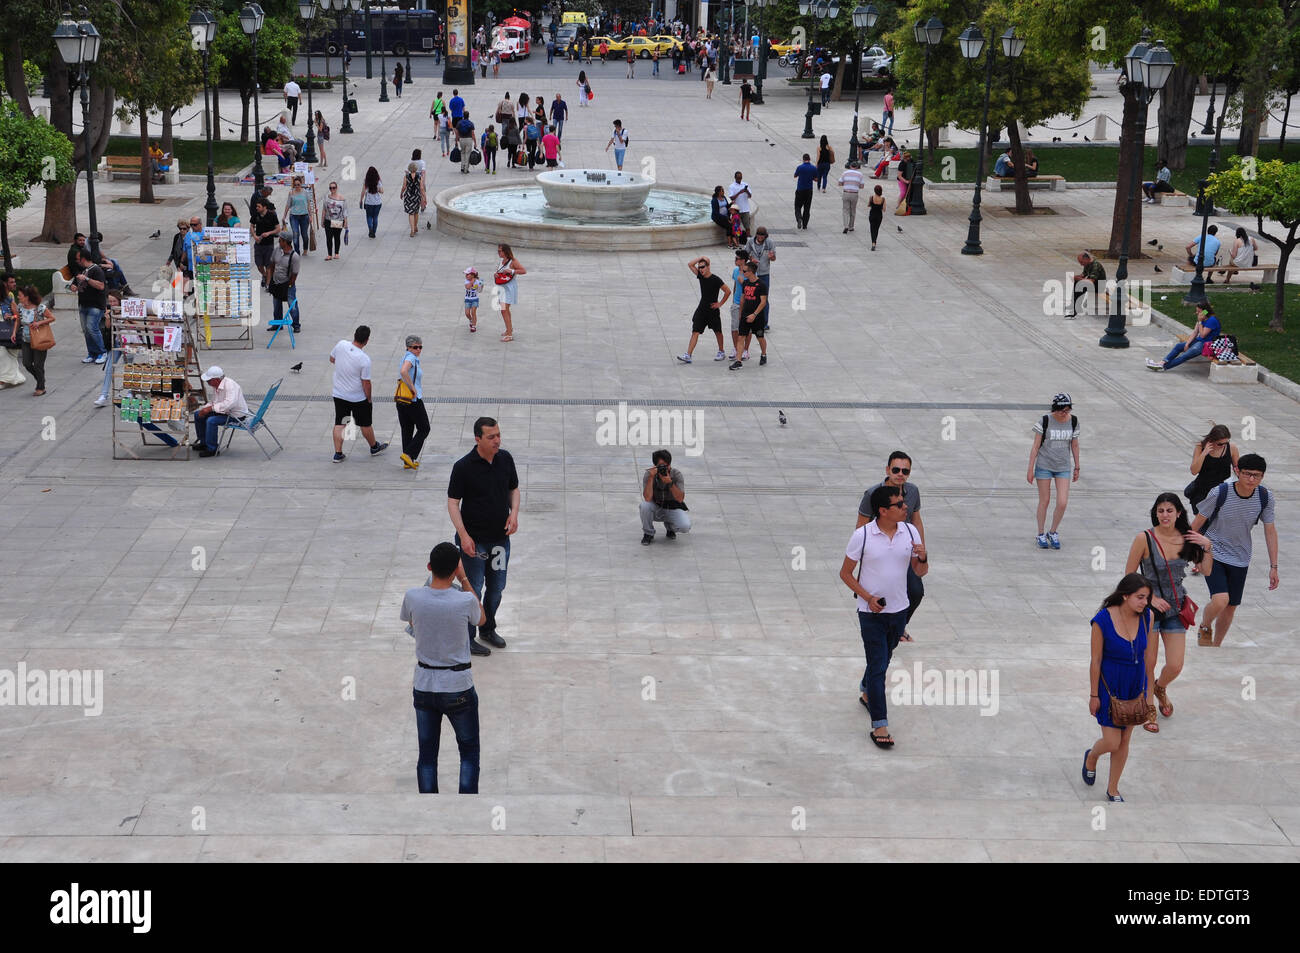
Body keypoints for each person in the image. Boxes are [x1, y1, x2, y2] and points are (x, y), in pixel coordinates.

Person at [839, 483, 928, 749]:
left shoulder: (910, 531)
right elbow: (845, 573)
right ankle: (880, 724)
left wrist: (922, 558)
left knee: (884, 658)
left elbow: (920, 572)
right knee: (879, 667)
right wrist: (868, 598)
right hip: (871, 613)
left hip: (899, 611)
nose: (905, 508)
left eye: (904, 503)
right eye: (899, 505)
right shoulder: (862, 536)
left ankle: (867, 690)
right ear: (882, 510)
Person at [1124, 493, 1213, 732]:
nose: (1165, 515)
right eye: (1161, 511)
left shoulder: (1186, 539)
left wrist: (1207, 546)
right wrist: (1151, 597)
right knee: (1148, 662)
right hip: (1148, 610)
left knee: (1175, 665)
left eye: (1169, 511)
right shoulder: (1144, 538)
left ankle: (1160, 687)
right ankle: (1149, 709)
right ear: (1156, 513)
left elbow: (1205, 570)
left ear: (1179, 514)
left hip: (1175, 608)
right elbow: (1130, 575)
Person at [403, 542, 485, 794]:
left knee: (427, 754)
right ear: (455, 571)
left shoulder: (413, 596)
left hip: (424, 684)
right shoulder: (463, 601)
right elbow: (481, 618)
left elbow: (412, 622)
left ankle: (429, 808)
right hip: (458, 685)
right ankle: (466, 807)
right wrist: (464, 579)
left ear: (429, 567)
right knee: (469, 751)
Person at [447, 417, 520, 656]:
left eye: (498, 435)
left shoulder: (505, 459)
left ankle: (488, 628)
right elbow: (453, 503)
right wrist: (463, 536)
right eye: (491, 437)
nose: (497, 440)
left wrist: (514, 514)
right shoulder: (463, 467)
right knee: (473, 588)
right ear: (478, 438)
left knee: (497, 586)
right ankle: (467, 638)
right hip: (474, 543)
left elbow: (513, 488)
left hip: (500, 540)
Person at [1189, 453, 1278, 646]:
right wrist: (1180, 551)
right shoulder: (1220, 492)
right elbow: (1197, 523)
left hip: (1241, 556)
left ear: (1262, 476)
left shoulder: (1265, 497)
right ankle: (1205, 625)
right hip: (1213, 551)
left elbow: (1270, 531)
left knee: (1230, 607)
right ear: (1237, 472)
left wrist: (1274, 566)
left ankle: (1216, 645)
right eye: (1247, 474)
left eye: (1257, 475)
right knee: (1221, 599)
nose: (1251, 479)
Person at [1083, 574, 1158, 802]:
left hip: (1134, 685)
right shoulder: (1102, 620)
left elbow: (1147, 658)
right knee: (1112, 741)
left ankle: (1113, 788)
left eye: (1147, 597)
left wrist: (1148, 695)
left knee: (1125, 740)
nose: (1145, 602)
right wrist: (1093, 694)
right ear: (1125, 596)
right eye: (1140, 597)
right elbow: (1095, 660)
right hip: (1109, 685)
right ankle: (1092, 757)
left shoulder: (1148, 617)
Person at [857, 451, 927, 642]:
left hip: (904, 552)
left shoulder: (912, 492)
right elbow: (861, 526)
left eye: (905, 471)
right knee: (881, 594)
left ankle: (899, 628)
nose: (900, 474)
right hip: (879, 553)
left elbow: (916, 520)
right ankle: (881, 631)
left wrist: (920, 547)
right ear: (887, 470)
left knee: (915, 591)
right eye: (896, 469)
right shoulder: (872, 494)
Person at [1027, 394, 1080, 549]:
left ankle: (1053, 531)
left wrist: (1077, 466)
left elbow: (1075, 445)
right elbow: (1035, 446)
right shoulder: (1045, 421)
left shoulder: (1073, 421)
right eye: (1061, 410)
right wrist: (1030, 469)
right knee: (1045, 500)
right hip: (1044, 466)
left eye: (1067, 410)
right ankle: (1041, 533)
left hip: (1063, 467)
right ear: (1055, 409)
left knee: (1062, 502)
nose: (1064, 413)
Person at [330, 325, 387, 462]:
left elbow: (332, 359)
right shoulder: (364, 359)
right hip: (357, 397)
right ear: (367, 340)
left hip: (339, 394)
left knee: (340, 423)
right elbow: (366, 383)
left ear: (354, 335)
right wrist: (369, 398)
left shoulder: (341, 344)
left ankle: (338, 453)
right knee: (365, 424)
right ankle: (374, 447)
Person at [677, 256, 730, 364]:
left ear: (708, 267)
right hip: (701, 309)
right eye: (700, 267)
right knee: (695, 331)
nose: (701, 269)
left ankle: (721, 351)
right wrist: (700, 258)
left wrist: (720, 304)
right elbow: (690, 264)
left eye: (703, 267)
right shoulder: (700, 277)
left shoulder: (716, 279)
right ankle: (688, 355)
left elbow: (727, 291)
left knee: (718, 331)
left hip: (712, 310)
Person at [191, 365, 250, 457]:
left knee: (211, 421)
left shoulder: (230, 385)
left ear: (216, 379)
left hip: (235, 415)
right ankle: (204, 442)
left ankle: (212, 448)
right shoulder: (217, 385)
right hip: (224, 411)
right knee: (198, 414)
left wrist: (210, 409)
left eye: (209, 380)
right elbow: (214, 401)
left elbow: (229, 404)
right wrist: (205, 409)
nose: (207, 382)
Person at [1146, 302, 1221, 372]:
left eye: (1199, 311)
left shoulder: (1211, 320)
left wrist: (1200, 322)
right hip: (1199, 341)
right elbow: (1195, 332)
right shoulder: (1201, 318)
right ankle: (1162, 363)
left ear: (1205, 312)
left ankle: (1164, 367)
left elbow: (1202, 335)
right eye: (1196, 311)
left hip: (1207, 344)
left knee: (1185, 355)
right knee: (1179, 346)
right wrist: (1187, 344)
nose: (1197, 313)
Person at [10, 284, 54, 396]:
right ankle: (40, 379)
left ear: (27, 296)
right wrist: (14, 332)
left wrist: (39, 323)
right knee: (27, 363)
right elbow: (18, 321)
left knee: (38, 365)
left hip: (39, 339)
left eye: (20, 295)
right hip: (26, 340)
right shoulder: (20, 307)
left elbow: (52, 318)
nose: (18, 297)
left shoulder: (40, 308)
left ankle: (41, 387)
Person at [640, 449, 690, 544]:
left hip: (673, 507)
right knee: (644, 506)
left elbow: (680, 498)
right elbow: (647, 498)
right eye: (660, 466)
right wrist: (651, 478)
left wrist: (670, 483)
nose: (664, 469)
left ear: (670, 464)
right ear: (655, 466)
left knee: (685, 526)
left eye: (666, 466)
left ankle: (670, 527)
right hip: (657, 506)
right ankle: (648, 533)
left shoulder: (676, 475)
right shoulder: (649, 474)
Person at [1185, 424, 1239, 512]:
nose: (1223, 445)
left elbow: (1238, 470)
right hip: (1203, 492)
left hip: (1223, 491)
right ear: (1212, 440)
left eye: (1226, 442)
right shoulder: (1200, 447)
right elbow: (1194, 471)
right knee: (1203, 523)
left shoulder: (1232, 448)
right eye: (1220, 444)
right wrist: (1204, 453)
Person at [396, 335, 430, 470]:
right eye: (415, 347)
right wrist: (413, 388)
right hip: (412, 399)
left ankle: (407, 460)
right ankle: (409, 455)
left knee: (407, 428)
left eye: (420, 347)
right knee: (424, 428)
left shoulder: (405, 356)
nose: (418, 350)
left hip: (401, 399)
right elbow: (404, 371)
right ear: (408, 347)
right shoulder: (411, 357)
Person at [730, 260, 768, 369]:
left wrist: (754, 315)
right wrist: (741, 314)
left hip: (757, 317)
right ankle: (738, 361)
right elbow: (742, 299)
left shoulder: (761, 285)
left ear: (751, 272)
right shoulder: (745, 283)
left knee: (760, 337)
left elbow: (763, 302)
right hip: (745, 315)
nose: (742, 272)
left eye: (745, 271)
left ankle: (763, 354)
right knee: (741, 337)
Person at [73, 248, 108, 364]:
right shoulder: (82, 270)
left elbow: (101, 286)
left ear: (83, 259)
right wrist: (73, 287)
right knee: (86, 330)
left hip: (95, 305)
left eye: (78, 259)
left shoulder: (96, 270)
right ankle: (92, 353)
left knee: (92, 328)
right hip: (83, 304)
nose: (77, 261)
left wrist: (87, 279)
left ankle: (102, 352)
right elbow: (75, 284)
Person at [268, 232, 302, 333]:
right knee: (276, 305)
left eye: (281, 240)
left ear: (286, 242)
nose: (279, 241)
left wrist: (289, 285)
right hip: (276, 282)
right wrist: (271, 280)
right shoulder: (277, 250)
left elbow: (295, 274)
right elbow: (272, 264)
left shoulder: (294, 256)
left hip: (287, 284)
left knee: (292, 306)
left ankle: (296, 325)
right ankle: (278, 324)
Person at [494, 243, 526, 342]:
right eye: (498, 250)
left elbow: (523, 271)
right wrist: (496, 274)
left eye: (500, 251)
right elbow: (500, 271)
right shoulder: (502, 260)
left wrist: (511, 271)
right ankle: (509, 329)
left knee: (504, 309)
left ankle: (509, 334)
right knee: (505, 309)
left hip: (509, 288)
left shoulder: (513, 261)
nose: (498, 252)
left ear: (505, 251)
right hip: (502, 287)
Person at [1065, 251, 1107, 319]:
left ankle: (1076, 306)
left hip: (1099, 286)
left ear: (1086, 259)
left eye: (1082, 262)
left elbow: (1091, 280)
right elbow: (1083, 275)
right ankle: (1074, 304)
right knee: (1077, 282)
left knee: (1081, 285)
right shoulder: (1087, 264)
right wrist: (1076, 277)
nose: (1081, 265)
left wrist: (1079, 279)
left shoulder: (1095, 265)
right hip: (1093, 284)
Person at [251, 198, 280, 288]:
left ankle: (268, 284)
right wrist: (254, 236)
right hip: (258, 243)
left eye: (259, 206)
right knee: (259, 264)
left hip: (269, 244)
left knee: (268, 266)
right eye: (256, 206)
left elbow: (278, 229)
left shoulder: (272, 215)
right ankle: (264, 275)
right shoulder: (256, 215)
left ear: (264, 207)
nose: (257, 208)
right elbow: (252, 226)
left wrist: (269, 233)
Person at [744, 227, 776, 296]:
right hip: (753, 273)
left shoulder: (769, 242)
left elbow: (774, 258)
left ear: (765, 236)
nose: (760, 237)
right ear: (756, 235)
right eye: (759, 235)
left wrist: (771, 257)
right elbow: (745, 254)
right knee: (753, 295)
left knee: (764, 296)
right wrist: (751, 259)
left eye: (762, 236)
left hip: (765, 273)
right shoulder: (750, 241)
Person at [286, 176, 313, 255]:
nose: (297, 186)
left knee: (304, 234)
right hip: (294, 216)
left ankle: (305, 249)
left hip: (304, 216)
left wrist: (310, 216)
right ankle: (297, 252)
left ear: (301, 184)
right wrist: (284, 216)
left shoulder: (305, 192)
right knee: (295, 234)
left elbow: (308, 205)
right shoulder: (291, 193)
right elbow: (288, 205)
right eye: (295, 185)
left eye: (298, 184)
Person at [321, 181, 347, 261]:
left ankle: (336, 253)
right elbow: (324, 210)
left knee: (337, 237)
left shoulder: (342, 199)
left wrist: (345, 222)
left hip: (338, 220)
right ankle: (329, 254)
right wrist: (322, 220)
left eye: (334, 187)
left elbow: (345, 211)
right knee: (329, 237)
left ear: (336, 188)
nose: (332, 189)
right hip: (328, 220)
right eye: (330, 188)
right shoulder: (326, 198)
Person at [838, 160, 865, 234]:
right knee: (853, 210)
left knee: (845, 210)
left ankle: (846, 225)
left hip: (846, 193)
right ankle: (851, 226)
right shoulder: (860, 174)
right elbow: (862, 186)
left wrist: (846, 184)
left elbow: (840, 183)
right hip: (854, 194)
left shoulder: (845, 173)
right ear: (857, 167)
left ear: (850, 166)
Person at [401, 162, 426, 236]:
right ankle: (415, 226)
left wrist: (401, 193)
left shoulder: (406, 176)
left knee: (411, 213)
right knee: (416, 212)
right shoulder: (420, 176)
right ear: (416, 169)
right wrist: (424, 197)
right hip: (416, 196)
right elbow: (421, 188)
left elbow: (404, 186)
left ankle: (412, 230)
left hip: (408, 197)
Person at [793, 153, 817, 230]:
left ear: (803, 159)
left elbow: (795, 176)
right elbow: (816, 179)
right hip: (809, 190)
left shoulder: (800, 167)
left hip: (800, 190)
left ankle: (799, 218)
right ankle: (805, 225)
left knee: (797, 206)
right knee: (807, 208)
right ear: (809, 159)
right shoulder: (813, 168)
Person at [727, 171, 754, 238]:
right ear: (735, 177)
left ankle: (748, 239)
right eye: (738, 177)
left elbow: (750, 196)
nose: (739, 179)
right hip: (737, 210)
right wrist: (739, 192)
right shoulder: (732, 186)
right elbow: (731, 197)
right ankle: (738, 240)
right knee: (736, 227)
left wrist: (746, 191)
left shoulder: (745, 184)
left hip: (745, 209)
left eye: (740, 177)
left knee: (747, 226)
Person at [361, 166, 384, 237]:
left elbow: (363, 191)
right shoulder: (378, 181)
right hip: (377, 202)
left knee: (369, 217)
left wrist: (361, 200)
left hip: (369, 202)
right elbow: (382, 191)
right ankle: (374, 231)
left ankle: (370, 229)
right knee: (375, 217)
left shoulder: (366, 181)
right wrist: (377, 188)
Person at [455, 111, 476, 175]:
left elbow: (457, 133)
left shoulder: (459, 123)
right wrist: (475, 142)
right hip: (469, 139)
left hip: (461, 139)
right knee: (467, 154)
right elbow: (473, 134)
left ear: (463, 116)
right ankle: (466, 169)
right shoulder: (470, 123)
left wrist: (456, 140)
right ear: (468, 116)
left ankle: (462, 166)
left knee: (462, 152)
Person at [866, 183, 886, 249]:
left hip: (872, 215)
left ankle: (873, 243)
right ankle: (874, 242)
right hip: (879, 216)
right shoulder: (883, 199)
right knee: (876, 229)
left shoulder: (871, 197)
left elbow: (868, 205)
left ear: (875, 191)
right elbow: (884, 209)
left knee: (872, 229)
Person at [463, 267, 483, 332]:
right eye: (465, 274)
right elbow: (467, 287)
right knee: (467, 313)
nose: (466, 276)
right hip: (467, 299)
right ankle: (471, 320)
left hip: (475, 299)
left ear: (472, 275)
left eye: (467, 274)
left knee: (473, 312)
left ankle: (474, 326)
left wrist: (481, 285)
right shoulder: (466, 281)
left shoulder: (477, 282)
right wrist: (472, 281)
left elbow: (480, 291)